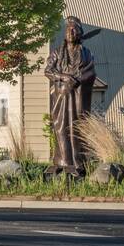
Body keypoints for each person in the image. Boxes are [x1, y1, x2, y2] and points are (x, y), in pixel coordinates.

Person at [44, 16, 99, 176]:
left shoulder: (86, 53)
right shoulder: (57, 53)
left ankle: (78, 161)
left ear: (80, 33)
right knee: (61, 127)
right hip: (61, 98)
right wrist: (64, 77)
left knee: (77, 128)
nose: (71, 32)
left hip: (77, 97)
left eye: (74, 29)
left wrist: (77, 79)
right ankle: (63, 161)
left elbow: (91, 72)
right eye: (68, 29)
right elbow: (48, 71)